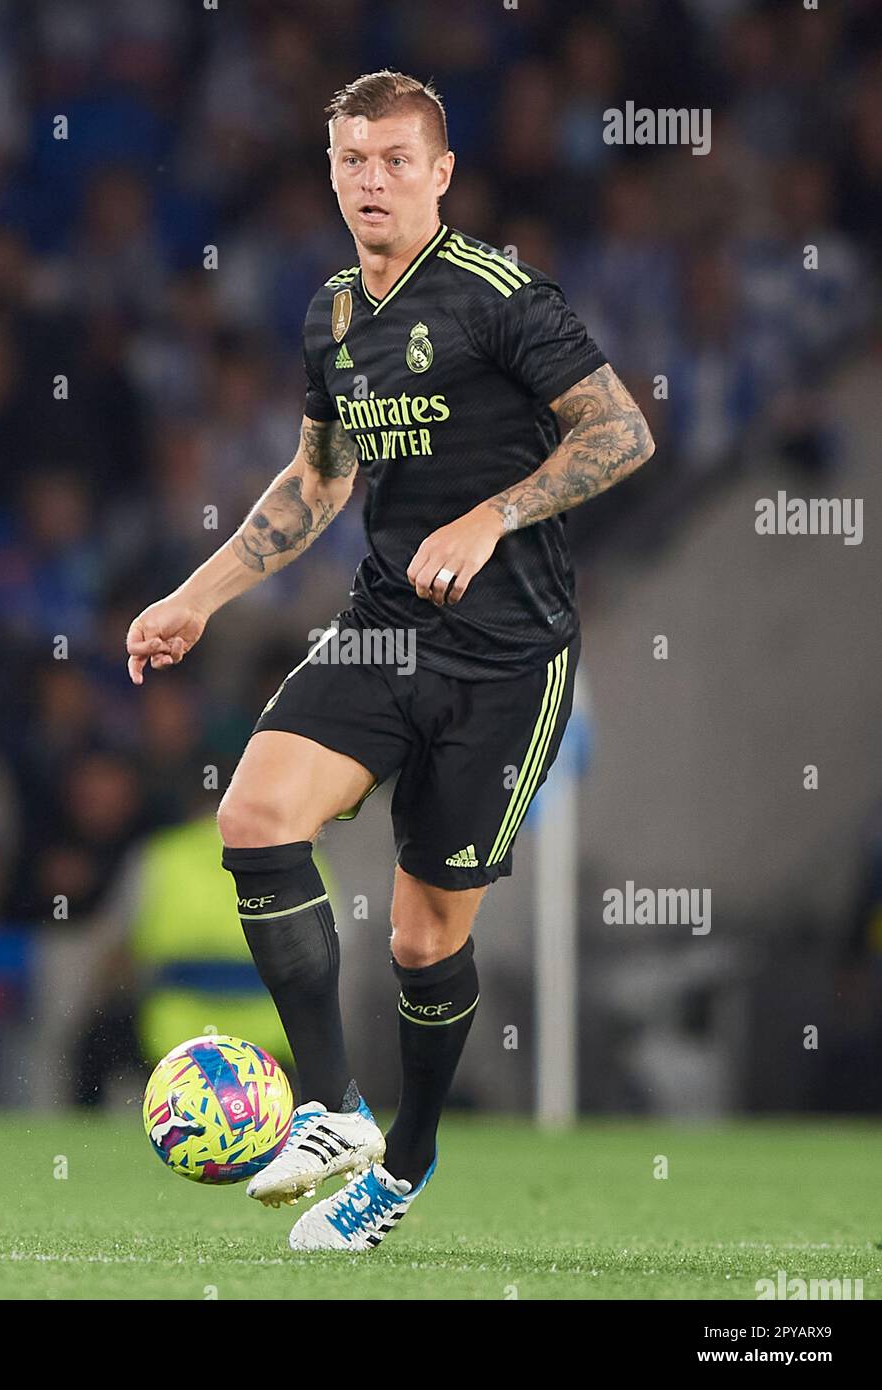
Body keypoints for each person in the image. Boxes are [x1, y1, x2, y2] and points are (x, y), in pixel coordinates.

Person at [126, 71, 654, 1252]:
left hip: (509, 660)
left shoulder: (498, 296)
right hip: (382, 626)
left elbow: (621, 429)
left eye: (394, 161)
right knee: (256, 813)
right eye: (351, 160)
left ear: (440, 174)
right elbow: (317, 479)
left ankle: (401, 1164)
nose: (371, 180)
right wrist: (195, 597)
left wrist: (495, 515)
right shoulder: (328, 316)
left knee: (423, 941)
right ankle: (328, 1106)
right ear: (330, 170)